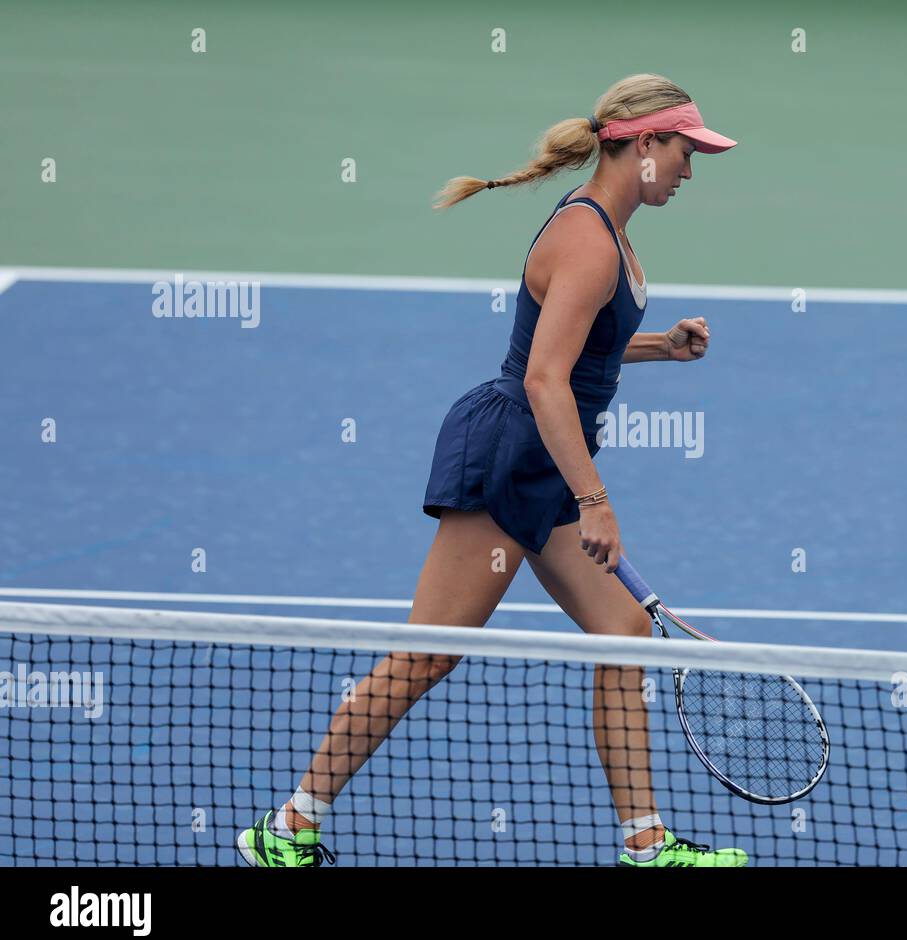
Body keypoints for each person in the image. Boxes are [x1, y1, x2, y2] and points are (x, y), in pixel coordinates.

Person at [237, 73, 744, 867]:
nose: (690, 168)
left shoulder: (609, 231)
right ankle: (288, 827)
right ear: (644, 144)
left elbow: (577, 354)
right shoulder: (587, 240)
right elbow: (544, 380)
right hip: (513, 452)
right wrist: (595, 500)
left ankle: (645, 844)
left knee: (624, 631)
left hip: (540, 456)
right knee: (430, 652)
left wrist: (659, 347)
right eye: (685, 151)